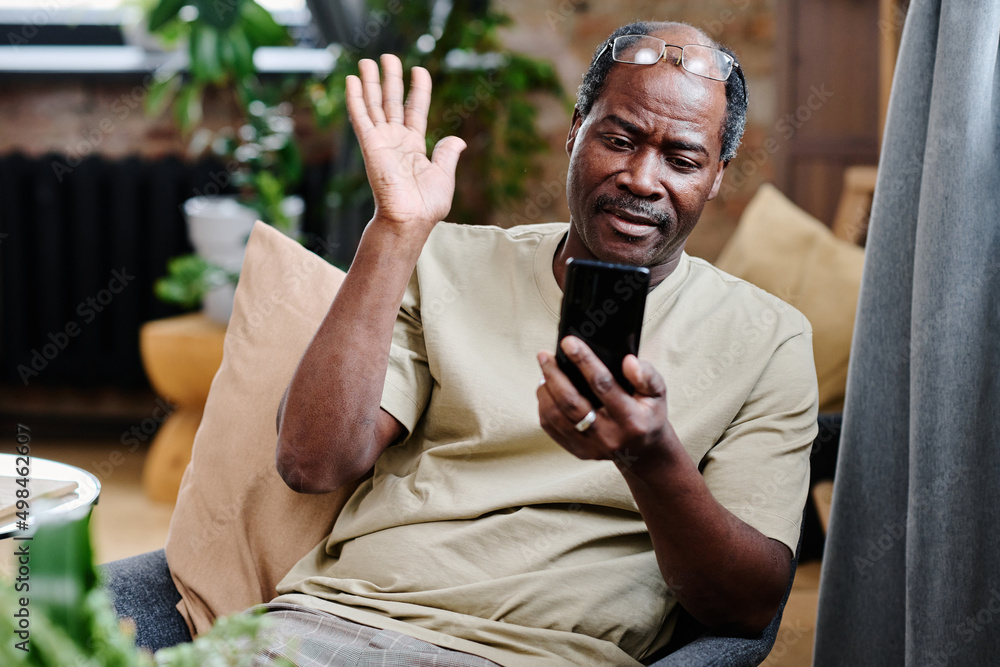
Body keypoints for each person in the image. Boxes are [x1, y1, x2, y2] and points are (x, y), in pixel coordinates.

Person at [269, 19, 818, 667]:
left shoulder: (768, 338)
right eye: (619, 139)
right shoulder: (442, 260)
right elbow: (313, 462)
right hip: (330, 622)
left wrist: (651, 456)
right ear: (574, 130)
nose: (642, 179)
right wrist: (395, 228)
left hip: (534, 655)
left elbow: (747, 606)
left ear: (719, 175)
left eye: (682, 159)